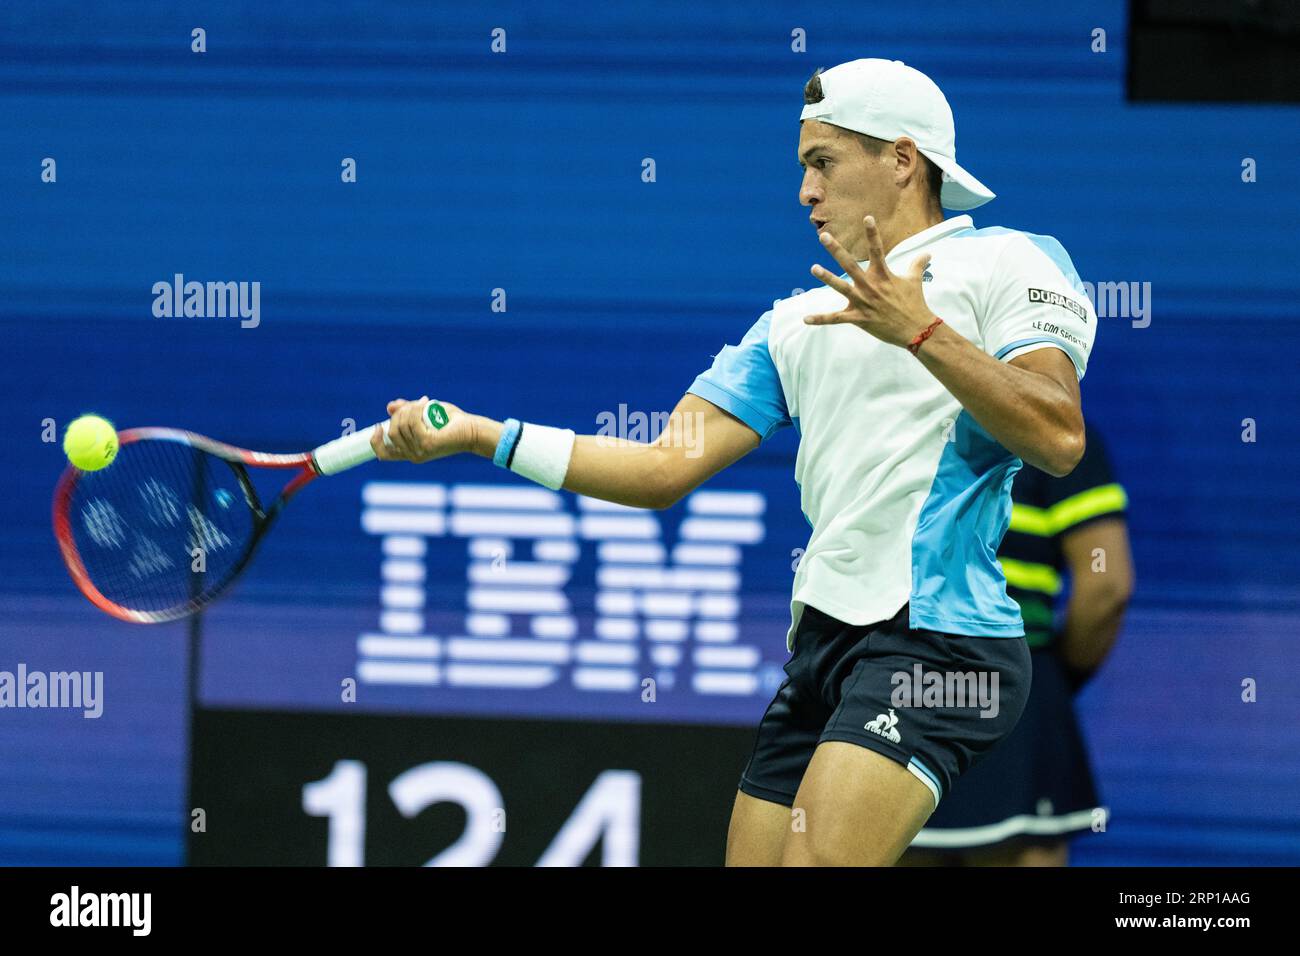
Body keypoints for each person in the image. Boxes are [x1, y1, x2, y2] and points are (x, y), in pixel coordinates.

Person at [370, 58, 1099, 866]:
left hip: (940, 642)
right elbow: (660, 469)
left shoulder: (1010, 264)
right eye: (802, 170)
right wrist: (481, 435)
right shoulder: (794, 322)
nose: (804, 193)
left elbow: (1058, 435)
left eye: (822, 163)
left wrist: (920, 331)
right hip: (825, 646)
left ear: (901, 158)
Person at [902, 422, 1133, 866]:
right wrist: (1049, 680)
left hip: (893, 692)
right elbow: (1108, 587)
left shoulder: (879, 416)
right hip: (1014, 695)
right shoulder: (1054, 424)